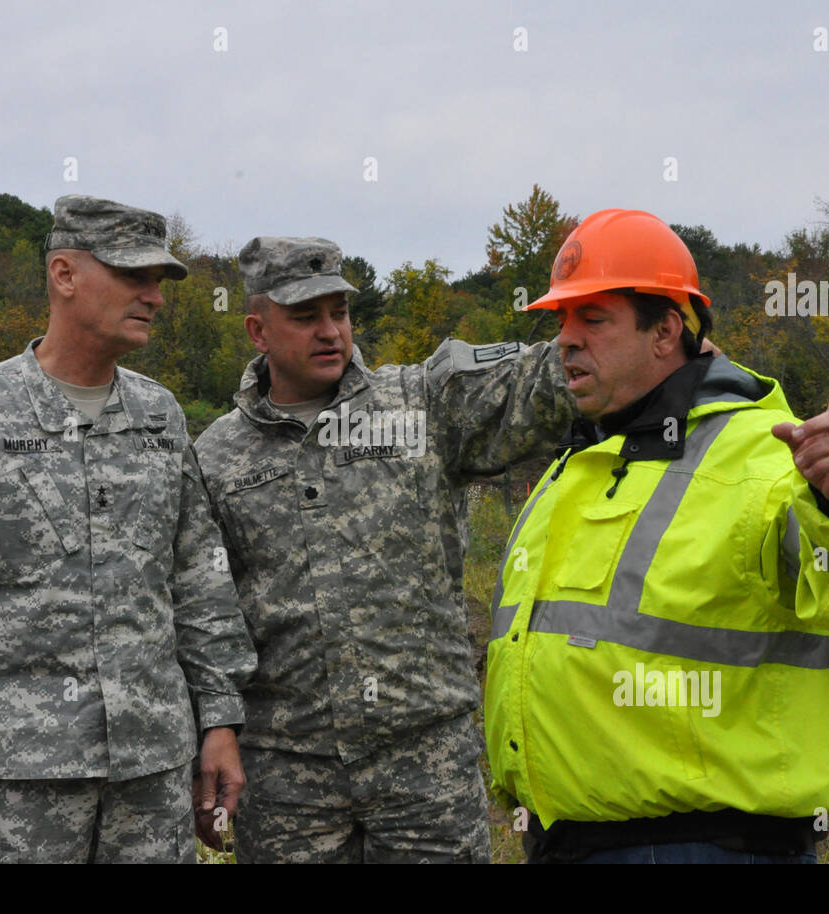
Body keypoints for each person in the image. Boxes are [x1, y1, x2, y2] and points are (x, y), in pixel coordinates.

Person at [483, 208, 829, 863]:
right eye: (562, 319)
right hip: (570, 843)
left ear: (665, 331)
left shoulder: (758, 456)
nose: (566, 339)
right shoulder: (582, 463)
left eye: (593, 318)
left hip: (704, 848)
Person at [0, 195, 257, 864]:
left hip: (151, 772)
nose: (153, 296)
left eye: (160, 281)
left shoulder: (160, 416)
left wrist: (219, 719)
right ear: (64, 274)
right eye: (133, 275)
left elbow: (199, 577)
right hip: (15, 780)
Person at [193, 236, 578, 862]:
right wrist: (214, 726)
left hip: (424, 763)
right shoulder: (216, 457)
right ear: (257, 330)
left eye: (339, 312)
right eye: (305, 316)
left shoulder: (420, 405)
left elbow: (544, 381)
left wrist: (673, 351)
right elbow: (204, 610)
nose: (330, 332)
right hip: (289, 773)